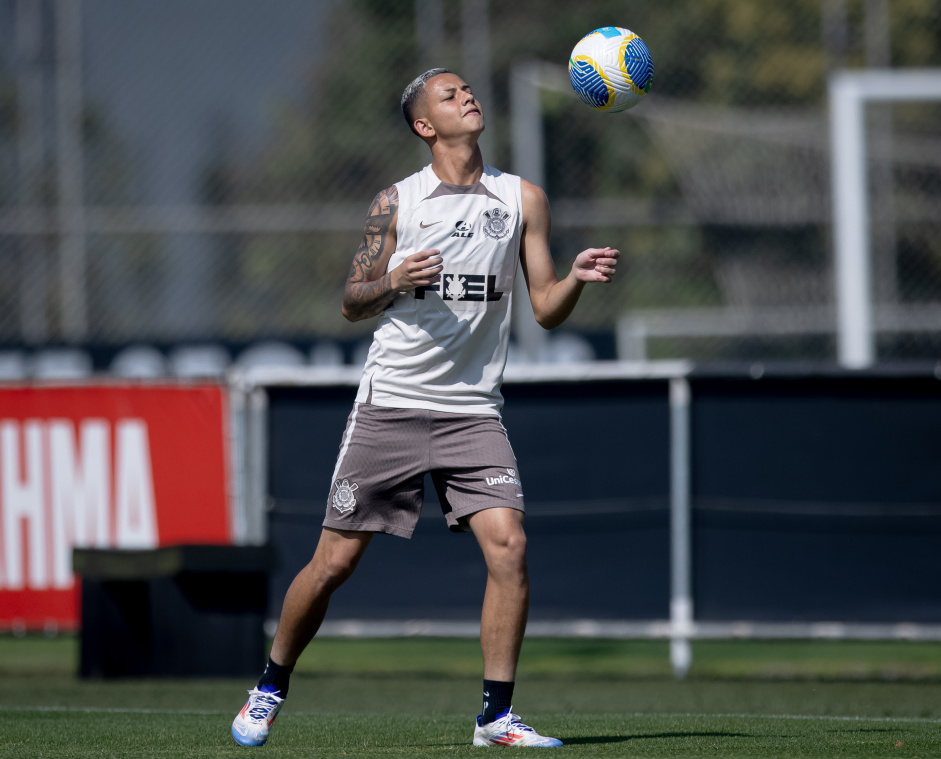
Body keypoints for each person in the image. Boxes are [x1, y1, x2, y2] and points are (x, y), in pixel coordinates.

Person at [231, 67, 619, 749]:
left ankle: (495, 717)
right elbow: (351, 300)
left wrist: (575, 281)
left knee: (510, 546)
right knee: (333, 565)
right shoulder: (397, 203)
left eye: (466, 89)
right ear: (423, 125)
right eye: (449, 95)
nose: (467, 96)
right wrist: (394, 278)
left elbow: (546, 309)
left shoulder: (521, 197)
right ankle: (269, 684)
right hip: (393, 405)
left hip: (472, 411)